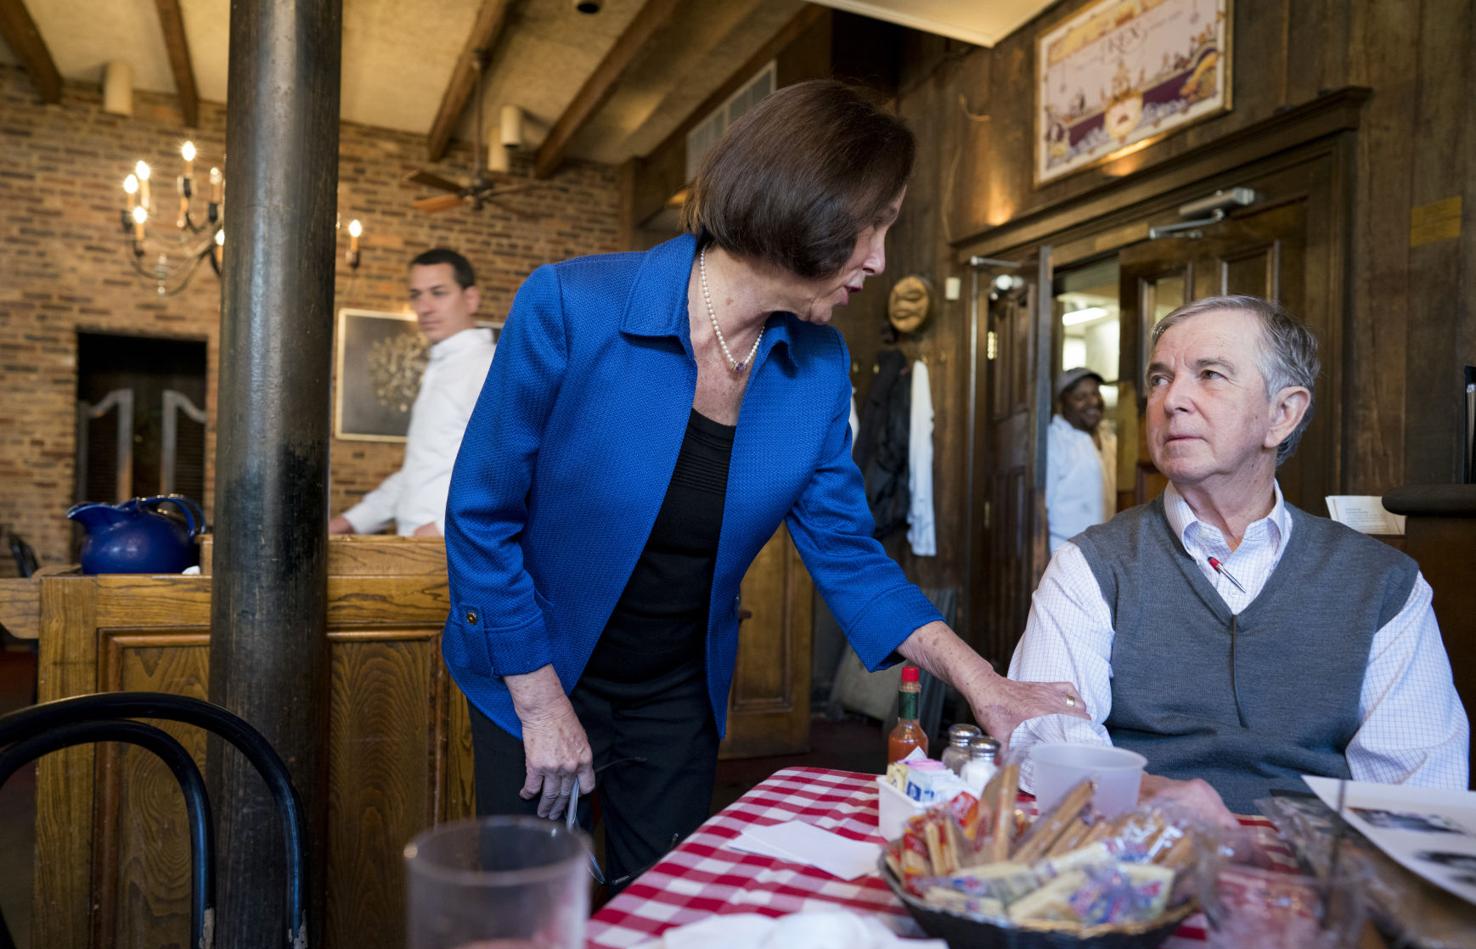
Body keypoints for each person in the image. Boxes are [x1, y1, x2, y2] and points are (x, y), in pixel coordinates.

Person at [440, 80, 1085, 887]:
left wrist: (985, 684)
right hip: (535, 669)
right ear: (802, 208)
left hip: (675, 694)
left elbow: (849, 554)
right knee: (531, 915)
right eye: (874, 224)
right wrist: (539, 704)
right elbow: (480, 517)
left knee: (662, 909)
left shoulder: (816, 367)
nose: (881, 260)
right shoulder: (572, 306)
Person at [1008, 295, 1468, 822]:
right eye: (1159, 379)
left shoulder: (1381, 583)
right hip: (1137, 855)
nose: (1171, 399)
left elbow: (1421, 792)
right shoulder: (1091, 566)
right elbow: (1044, 739)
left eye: (1209, 374)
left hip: (1319, 874)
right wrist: (1149, 798)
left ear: (1282, 414)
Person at [329, 249, 495, 537]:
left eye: (438, 293)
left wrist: (443, 529)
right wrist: (346, 523)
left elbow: (510, 467)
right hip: (416, 547)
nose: (424, 307)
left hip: (452, 549)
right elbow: (419, 472)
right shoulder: (441, 366)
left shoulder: (486, 366)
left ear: (471, 299)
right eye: (416, 295)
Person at [1046, 367, 1116, 553]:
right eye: (1080, 397)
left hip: (1104, 551)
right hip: (1064, 551)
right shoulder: (1054, 441)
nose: (1093, 401)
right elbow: (1040, 509)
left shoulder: (1109, 438)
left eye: (1095, 393)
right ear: (1062, 403)